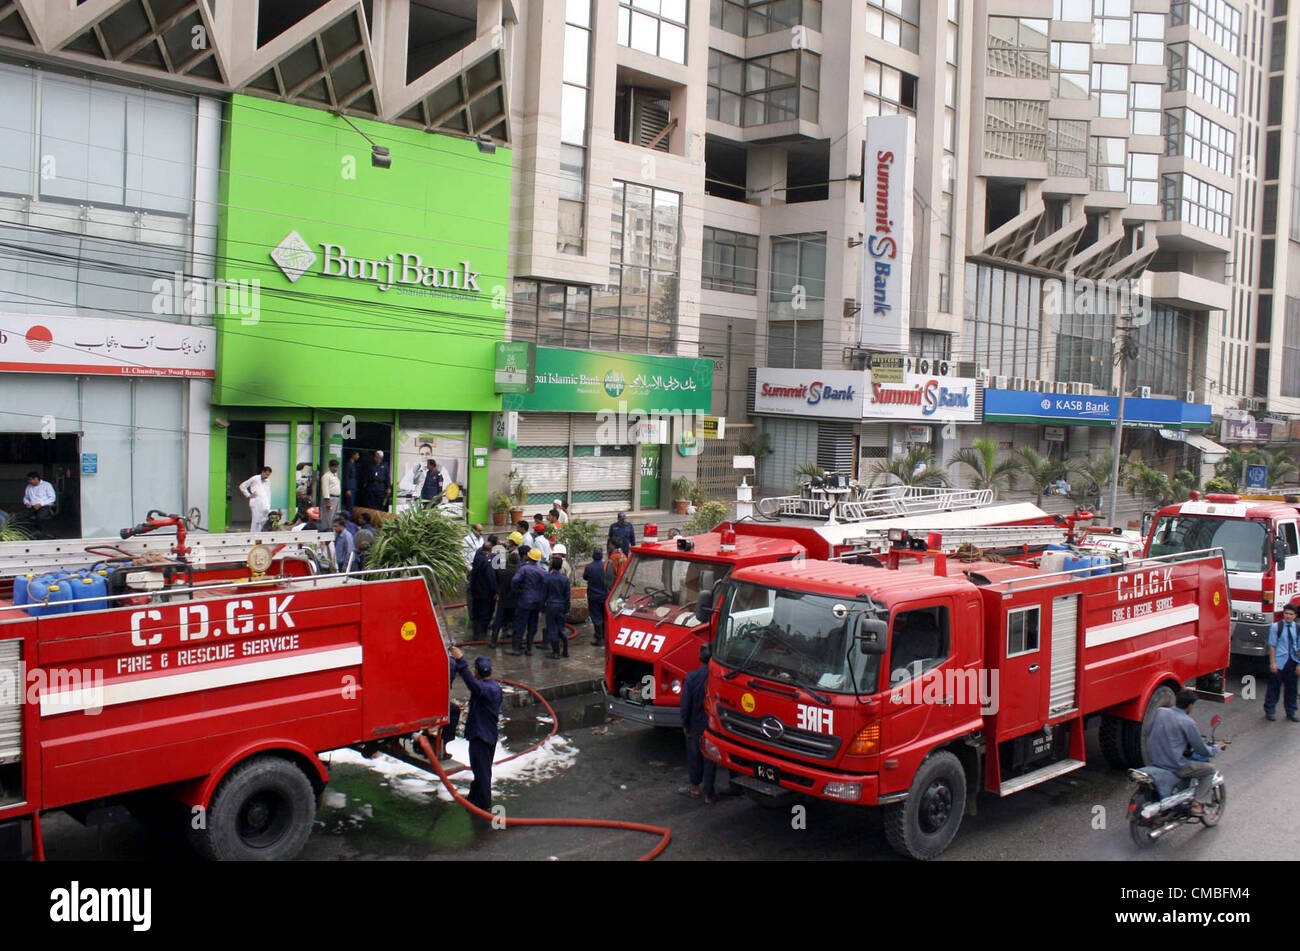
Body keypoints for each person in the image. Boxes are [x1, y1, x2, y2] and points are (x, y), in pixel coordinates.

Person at [1145, 688, 1226, 816]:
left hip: (1154, 760)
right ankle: (1197, 805)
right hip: (1175, 765)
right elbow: (1201, 749)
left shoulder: (1160, 712)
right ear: (1190, 706)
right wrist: (1216, 748)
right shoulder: (1187, 722)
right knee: (1209, 769)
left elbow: (1149, 731)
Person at [448, 646, 503, 813]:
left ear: (477, 672)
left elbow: (471, 683)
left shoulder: (484, 689)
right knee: (480, 771)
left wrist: (460, 660)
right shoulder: (493, 688)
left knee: (482, 773)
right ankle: (474, 799)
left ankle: (483, 807)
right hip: (486, 736)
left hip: (482, 738)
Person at [680, 644, 718, 803]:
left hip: (695, 723)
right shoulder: (716, 678)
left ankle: (695, 787)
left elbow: (685, 704)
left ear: (699, 658)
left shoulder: (691, 677)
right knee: (710, 758)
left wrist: (685, 724)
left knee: (695, 755)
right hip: (712, 724)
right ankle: (708, 794)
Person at [1265, 602, 1300, 721]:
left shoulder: (1298, 628)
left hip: (1292, 661)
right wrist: (1273, 663)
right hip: (1280, 661)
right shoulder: (1276, 627)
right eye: (1286, 613)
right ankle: (1270, 710)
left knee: (1292, 689)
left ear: (1295, 615)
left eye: (1291, 614)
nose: (1288, 616)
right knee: (1274, 688)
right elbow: (1272, 646)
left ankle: (1291, 712)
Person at [511, 546, 546, 655]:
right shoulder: (542, 571)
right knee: (532, 624)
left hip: (525, 600)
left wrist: (518, 590)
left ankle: (517, 648)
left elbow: (515, 580)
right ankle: (529, 648)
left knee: (520, 623)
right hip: (537, 602)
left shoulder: (524, 569)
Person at [468, 538, 498, 642]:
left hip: (476, 591)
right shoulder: (488, 562)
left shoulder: (478, 558)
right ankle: (482, 635)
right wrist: (495, 591)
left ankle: (475, 634)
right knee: (486, 613)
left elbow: (473, 574)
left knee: (476, 612)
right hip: (486, 593)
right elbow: (492, 579)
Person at [543, 554, 572, 659]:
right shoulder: (565, 579)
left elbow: (544, 594)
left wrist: (543, 607)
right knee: (562, 627)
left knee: (552, 628)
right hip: (561, 606)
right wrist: (567, 608)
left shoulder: (547, 578)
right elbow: (567, 596)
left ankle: (555, 652)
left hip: (551, 605)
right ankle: (565, 651)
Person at [492, 545, 520, 648]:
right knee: (515, 620)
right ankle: (515, 643)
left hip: (503, 599)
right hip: (514, 600)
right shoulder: (518, 572)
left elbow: (497, 582)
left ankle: (493, 641)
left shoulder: (501, 571)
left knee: (498, 619)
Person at [584, 547, 609, 646]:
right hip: (605, 595)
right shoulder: (606, 566)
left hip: (593, 595)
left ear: (593, 556)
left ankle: (599, 638)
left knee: (596, 616)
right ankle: (604, 635)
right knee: (604, 615)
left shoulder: (589, 567)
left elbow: (585, 577)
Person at [239, 466, 273, 532]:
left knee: (264, 520)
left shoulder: (268, 481)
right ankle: (254, 535)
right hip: (256, 502)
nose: (267, 476)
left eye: (268, 475)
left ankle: (261, 535)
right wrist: (248, 495)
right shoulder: (255, 478)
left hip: (265, 503)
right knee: (256, 520)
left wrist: (268, 504)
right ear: (262, 472)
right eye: (266, 474)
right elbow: (242, 486)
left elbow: (268, 493)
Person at [321, 459, 342, 528]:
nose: (336, 468)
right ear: (330, 467)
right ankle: (327, 530)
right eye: (334, 467)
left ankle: (333, 530)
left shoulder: (335, 476)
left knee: (336, 516)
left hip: (337, 498)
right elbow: (325, 488)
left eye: (337, 467)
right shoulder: (326, 476)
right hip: (330, 498)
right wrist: (327, 501)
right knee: (328, 516)